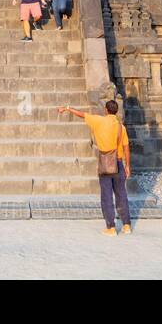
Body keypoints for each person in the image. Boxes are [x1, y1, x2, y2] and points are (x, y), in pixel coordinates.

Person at [59, 100, 132, 235]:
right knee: (121, 194)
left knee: (106, 195)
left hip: (105, 163)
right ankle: (126, 225)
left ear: (106, 110)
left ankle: (110, 227)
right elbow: (126, 148)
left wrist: (68, 108)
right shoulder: (121, 127)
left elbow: (81, 114)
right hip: (118, 162)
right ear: (116, 111)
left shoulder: (98, 121)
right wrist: (128, 165)